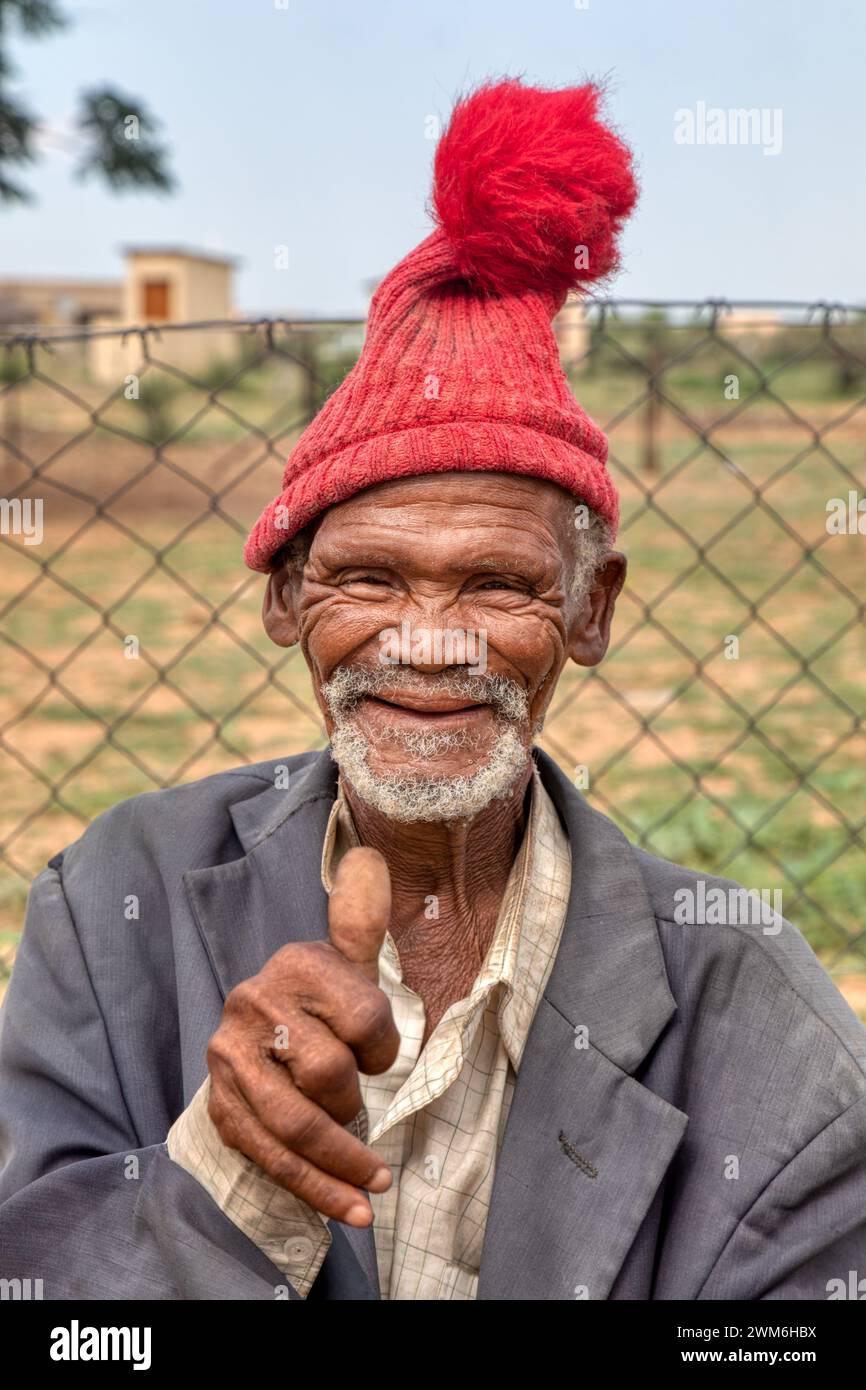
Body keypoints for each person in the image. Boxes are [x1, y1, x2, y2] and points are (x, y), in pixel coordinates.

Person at [1, 78, 864, 1302]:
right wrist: (219, 1181)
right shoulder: (110, 903)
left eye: (496, 585)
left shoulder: (753, 1007)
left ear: (591, 610)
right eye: (364, 577)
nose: (426, 641)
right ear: (284, 598)